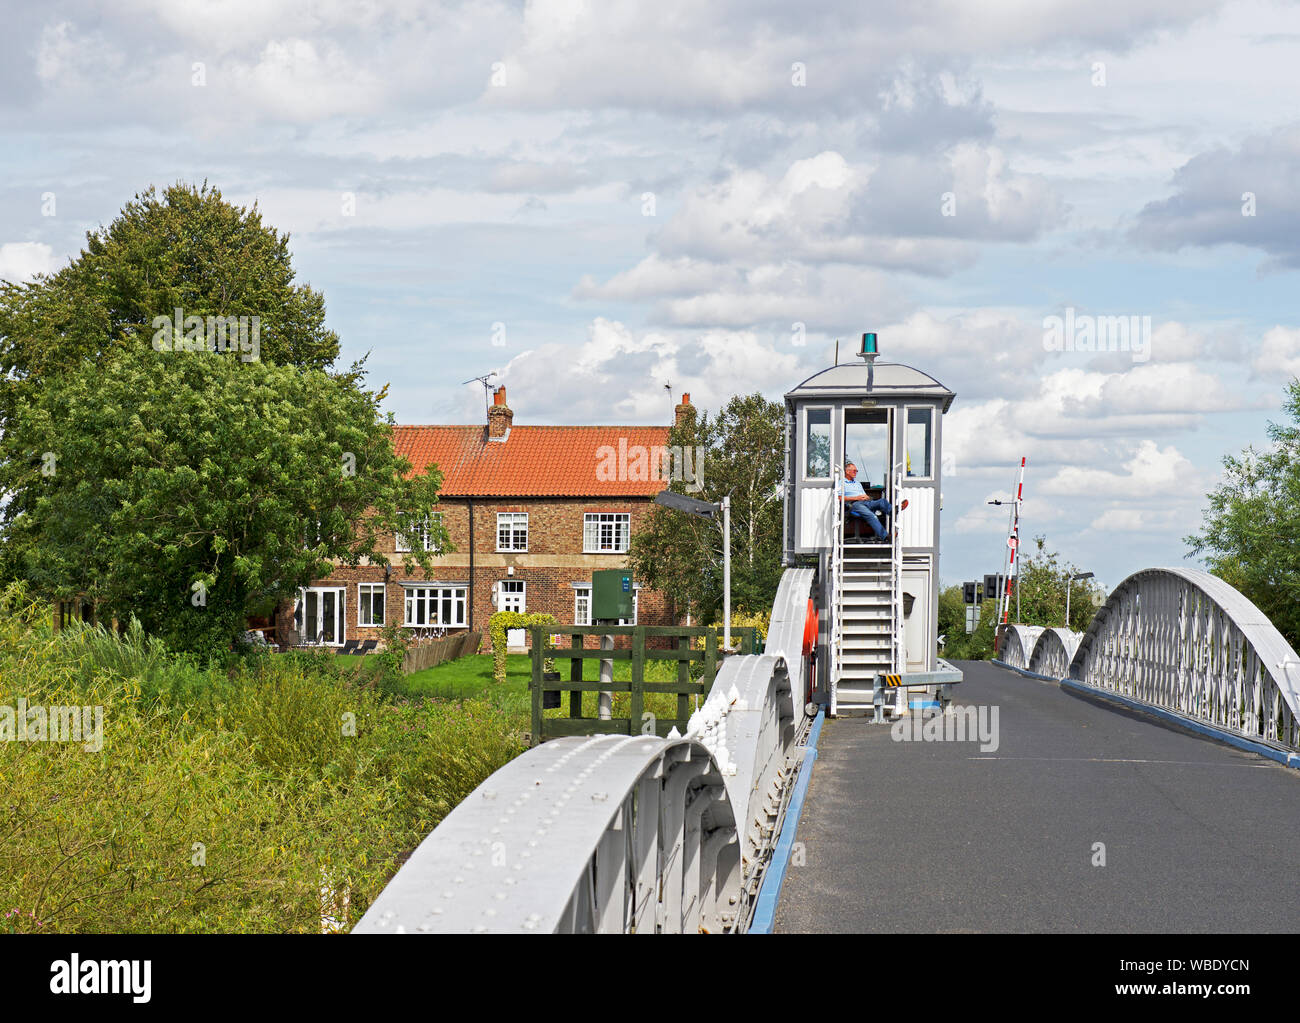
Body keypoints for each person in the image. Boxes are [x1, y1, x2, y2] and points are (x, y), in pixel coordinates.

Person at [840, 461, 892, 539]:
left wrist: (867, 497)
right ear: (847, 471)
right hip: (853, 504)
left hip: (865, 502)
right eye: (854, 471)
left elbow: (864, 495)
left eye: (856, 471)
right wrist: (856, 498)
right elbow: (839, 498)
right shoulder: (841, 483)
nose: (856, 472)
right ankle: (885, 536)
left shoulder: (857, 483)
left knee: (882, 501)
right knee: (872, 515)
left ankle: (893, 511)